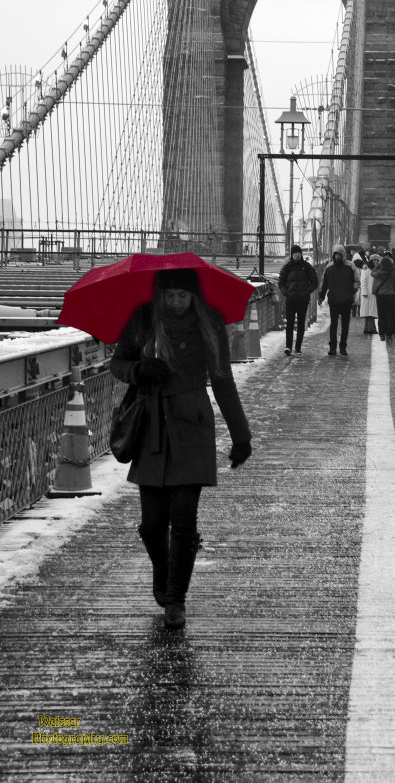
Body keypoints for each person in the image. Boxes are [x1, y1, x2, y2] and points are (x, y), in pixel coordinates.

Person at [110, 268, 252, 629]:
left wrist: (241, 436)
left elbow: (222, 379)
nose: (176, 302)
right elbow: (118, 363)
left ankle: (176, 599)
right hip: (151, 425)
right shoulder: (142, 319)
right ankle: (164, 569)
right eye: (170, 295)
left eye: (182, 296)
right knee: (151, 525)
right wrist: (139, 370)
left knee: (184, 520)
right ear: (160, 294)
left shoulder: (210, 323)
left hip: (192, 425)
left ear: (194, 296)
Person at [278, 244, 318, 355]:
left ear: (301, 254)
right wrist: (286, 293)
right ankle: (288, 346)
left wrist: (307, 292)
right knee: (289, 324)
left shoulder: (307, 267)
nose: (297, 254)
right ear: (292, 254)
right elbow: (281, 282)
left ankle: (298, 347)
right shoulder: (287, 267)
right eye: (295, 253)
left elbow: (314, 281)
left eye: (298, 252)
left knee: (301, 324)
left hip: (303, 300)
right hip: (290, 300)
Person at [318, 244, 358, 356]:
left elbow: (357, 281)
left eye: (339, 254)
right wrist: (321, 295)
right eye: (335, 255)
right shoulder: (329, 268)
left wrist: (351, 293)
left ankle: (342, 347)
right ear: (333, 255)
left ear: (343, 255)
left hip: (346, 300)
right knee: (334, 325)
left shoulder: (350, 266)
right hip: (334, 300)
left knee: (345, 325)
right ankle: (333, 347)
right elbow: (324, 283)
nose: (337, 257)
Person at [371, 253, 395, 341]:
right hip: (391, 295)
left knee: (381, 316)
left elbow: (372, 273)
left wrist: (378, 265)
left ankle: (382, 334)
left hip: (381, 296)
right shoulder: (394, 272)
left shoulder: (379, 273)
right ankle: (389, 335)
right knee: (390, 316)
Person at [359, 257, 379, 335]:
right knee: (369, 312)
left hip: (373, 293)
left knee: (370, 312)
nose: (376, 261)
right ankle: (370, 328)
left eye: (377, 260)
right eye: (374, 260)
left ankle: (368, 328)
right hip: (367, 293)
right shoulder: (366, 269)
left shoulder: (376, 269)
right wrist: (364, 292)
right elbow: (363, 280)